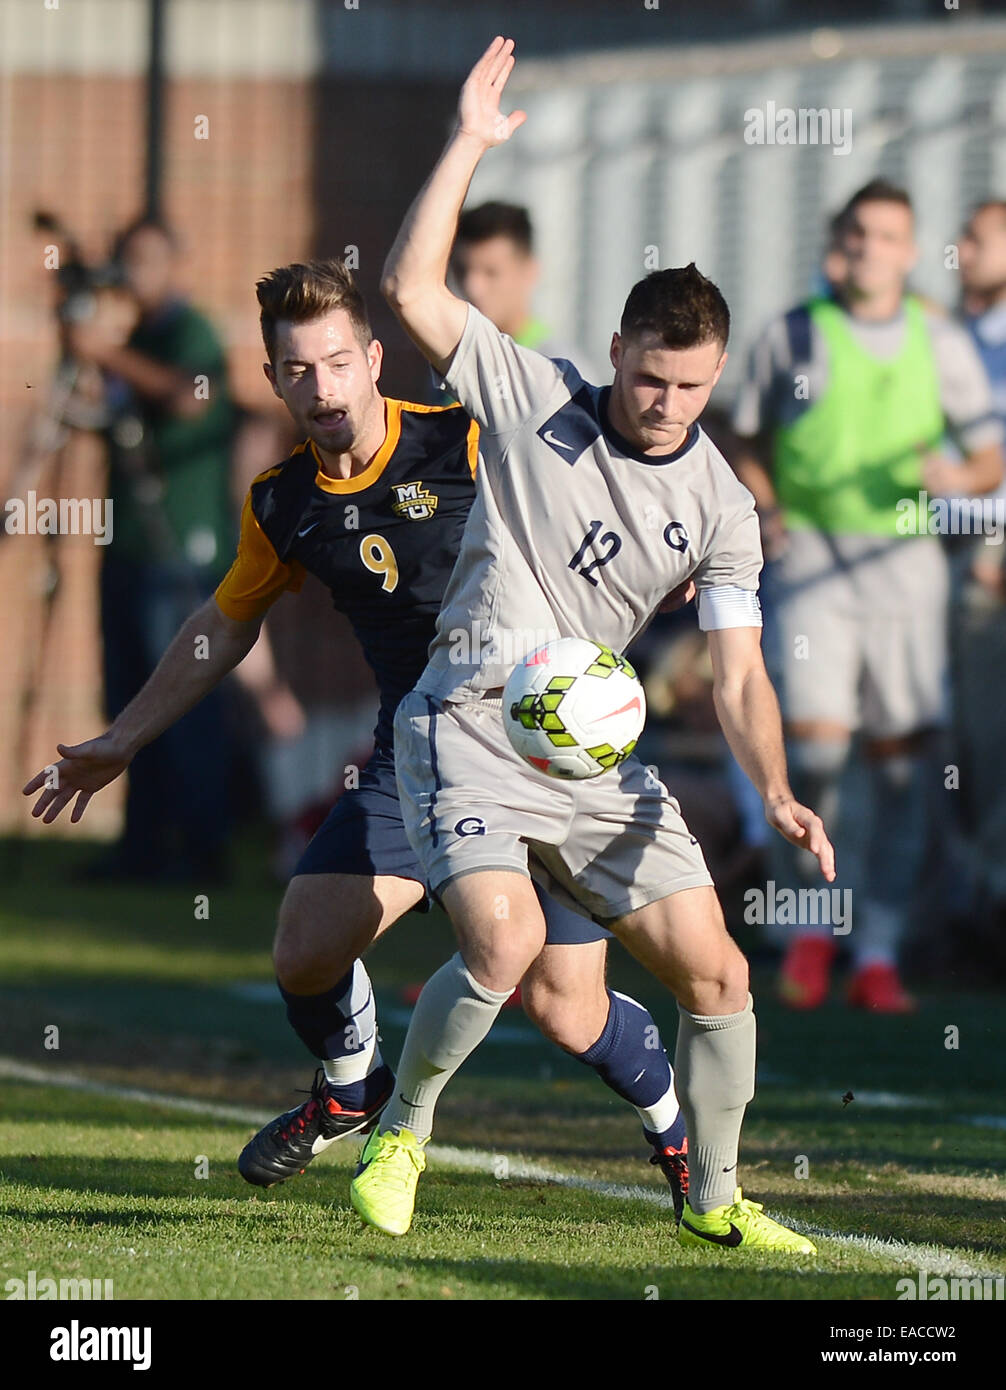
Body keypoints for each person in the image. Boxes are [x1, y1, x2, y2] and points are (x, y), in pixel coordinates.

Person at [24, 257, 691, 1217]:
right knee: (302, 949)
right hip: (413, 760)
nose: (323, 387)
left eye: (339, 361)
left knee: (562, 1006)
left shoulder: (465, 441)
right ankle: (352, 1084)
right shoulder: (282, 503)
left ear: (374, 359)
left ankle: (686, 1149)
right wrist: (123, 739)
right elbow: (221, 627)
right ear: (273, 379)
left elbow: (603, 469)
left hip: (538, 751)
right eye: (299, 369)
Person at [349, 37, 833, 1251]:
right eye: (649, 377)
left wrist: (771, 784)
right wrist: (465, 139)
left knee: (716, 976)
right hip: (464, 713)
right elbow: (410, 294)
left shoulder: (723, 506)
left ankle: (715, 1201)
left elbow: (735, 668)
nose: (665, 403)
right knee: (505, 945)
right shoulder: (534, 397)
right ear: (616, 351)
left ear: (716, 375)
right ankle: (401, 1128)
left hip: (588, 755)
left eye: (690, 387)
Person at [732, 179, 1003, 1013]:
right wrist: (768, 509)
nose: (869, 247)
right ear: (838, 241)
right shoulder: (794, 332)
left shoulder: (941, 339)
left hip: (905, 564)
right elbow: (744, 437)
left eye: (887, 235)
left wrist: (959, 477)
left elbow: (990, 453)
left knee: (897, 767)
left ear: (910, 251)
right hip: (813, 560)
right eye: (857, 232)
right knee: (813, 751)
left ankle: (877, 947)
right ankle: (812, 930)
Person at [67, 216, 239, 881]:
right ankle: (141, 847)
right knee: (129, 696)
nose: (133, 275)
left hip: (182, 550)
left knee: (183, 699)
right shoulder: (137, 336)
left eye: (145, 260)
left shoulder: (188, 333)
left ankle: (201, 852)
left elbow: (191, 399)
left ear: (174, 266)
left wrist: (102, 353)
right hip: (132, 547)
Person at [951, 200, 1006, 955]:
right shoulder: (949, 336)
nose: (960, 249)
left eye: (980, 238)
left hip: (989, 554)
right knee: (964, 748)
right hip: (955, 557)